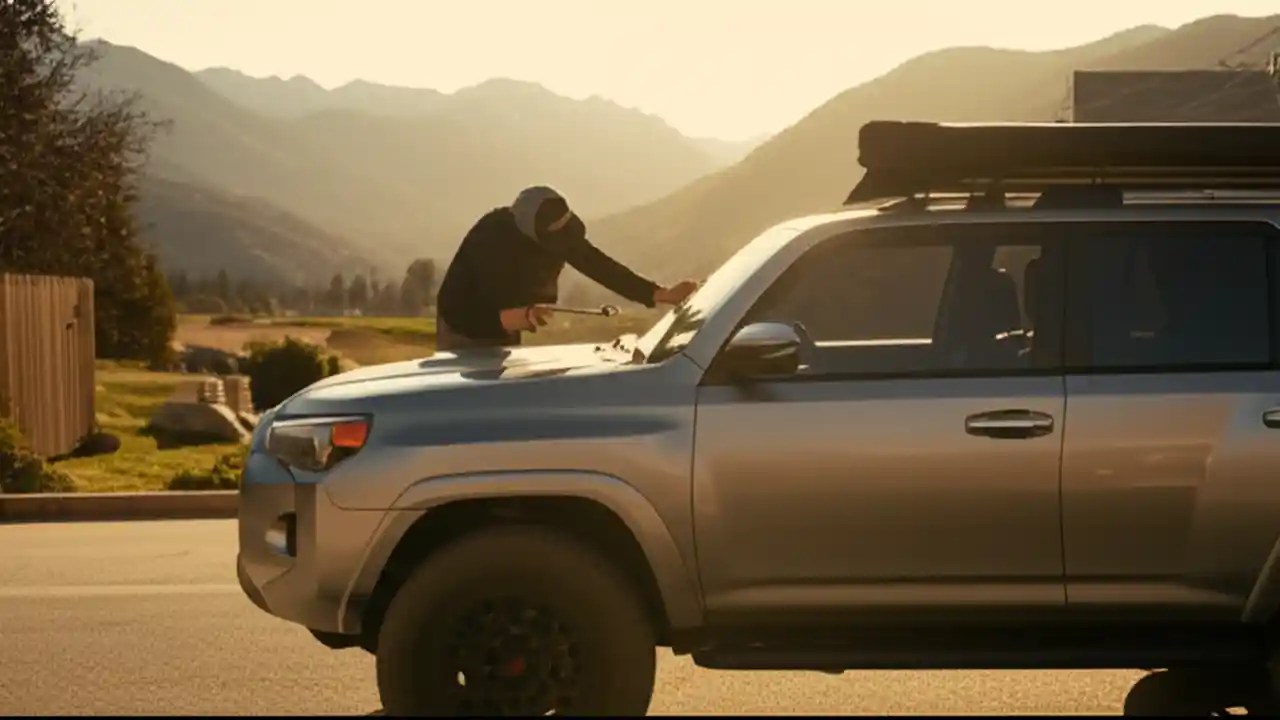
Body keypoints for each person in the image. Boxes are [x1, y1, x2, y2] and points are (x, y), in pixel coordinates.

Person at [435, 185, 699, 350]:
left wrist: (659, 293)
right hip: (464, 330)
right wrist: (512, 318)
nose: (563, 241)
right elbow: (460, 312)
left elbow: (598, 265)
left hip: (510, 324)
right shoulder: (491, 240)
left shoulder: (560, 233)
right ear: (532, 233)